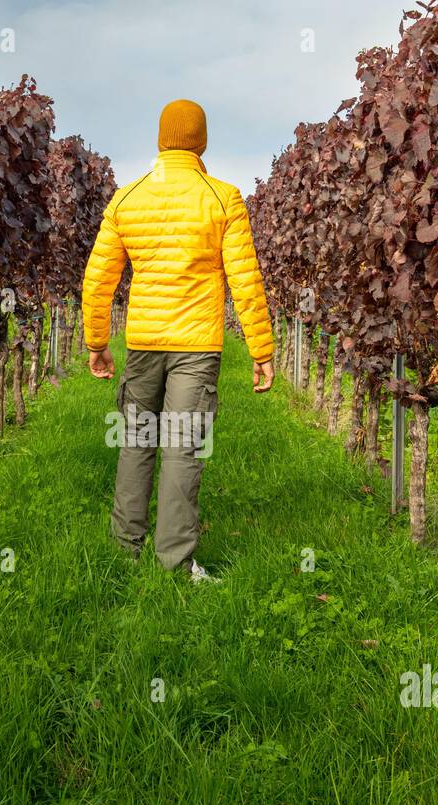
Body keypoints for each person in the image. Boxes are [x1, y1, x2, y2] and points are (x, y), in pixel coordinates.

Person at [80, 98, 275, 582]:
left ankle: (124, 550)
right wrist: (261, 351)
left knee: (136, 441)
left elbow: (98, 280)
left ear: (160, 139)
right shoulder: (223, 198)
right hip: (196, 346)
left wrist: (96, 342)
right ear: (201, 141)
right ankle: (175, 561)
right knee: (183, 448)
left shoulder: (127, 199)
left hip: (144, 344)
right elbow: (245, 281)